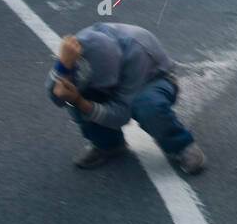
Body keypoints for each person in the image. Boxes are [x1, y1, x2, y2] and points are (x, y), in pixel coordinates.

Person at [47, 24, 207, 172]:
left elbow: (122, 114)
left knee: (147, 105)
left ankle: (181, 145)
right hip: (108, 80)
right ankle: (108, 145)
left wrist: (80, 101)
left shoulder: (138, 47)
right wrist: (62, 66)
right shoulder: (74, 50)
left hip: (152, 80)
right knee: (72, 96)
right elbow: (56, 97)